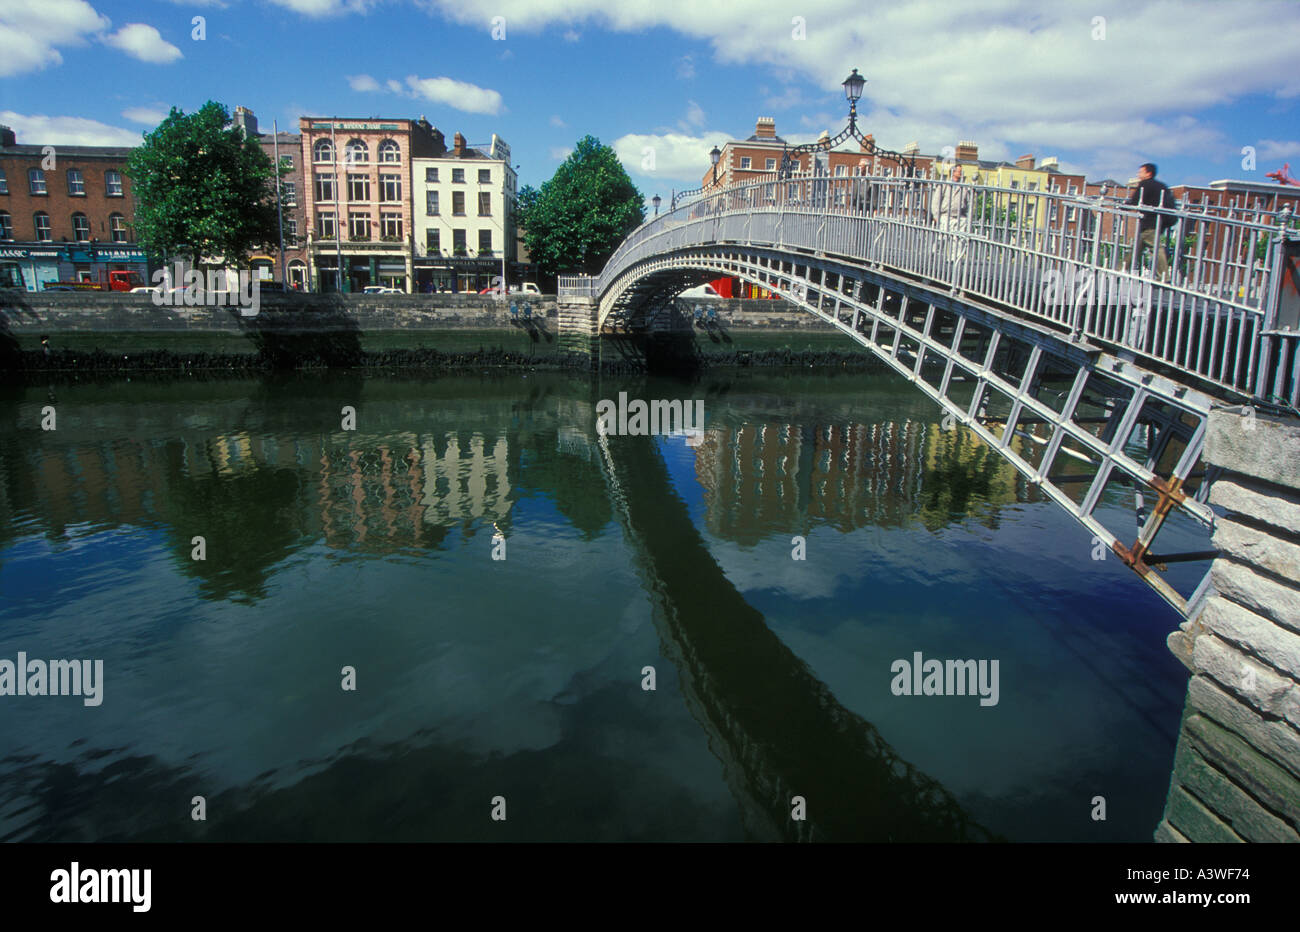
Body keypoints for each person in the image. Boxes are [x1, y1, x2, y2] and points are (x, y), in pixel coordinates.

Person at [1126, 163, 1175, 281]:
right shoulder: (1162, 186)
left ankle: (1164, 276)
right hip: (1160, 221)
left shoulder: (1144, 185)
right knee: (1137, 247)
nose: (1138, 174)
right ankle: (1121, 269)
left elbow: (1135, 201)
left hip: (1150, 222)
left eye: (1141, 172)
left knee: (1155, 248)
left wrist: (1122, 207)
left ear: (1148, 173)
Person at [930, 164, 972, 262]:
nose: (961, 173)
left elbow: (968, 203)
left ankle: (954, 258)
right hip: (945, 214)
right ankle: (934, 252)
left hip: (959, 216)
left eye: (961, 171)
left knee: (958, 239)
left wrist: (967, 217)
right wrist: (936, 215)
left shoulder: (964, 187)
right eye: (959, 171)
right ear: (953, 172)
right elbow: (936, 201)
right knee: (942, 237)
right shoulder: (944, 185)